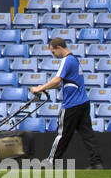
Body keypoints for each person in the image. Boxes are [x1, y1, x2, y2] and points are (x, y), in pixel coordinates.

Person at [31, 37, 103, 169]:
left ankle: (50, 162)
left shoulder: (66, 60)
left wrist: (40, 88)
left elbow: (57, 79)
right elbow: (61, 84)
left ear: (59, 47)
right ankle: (96, 162)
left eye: (53, 52)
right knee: (88, 135)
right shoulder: (75, 60)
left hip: (71, 105)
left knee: (62, 135)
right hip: (83, 103)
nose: (54, 55)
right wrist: (45, 87)